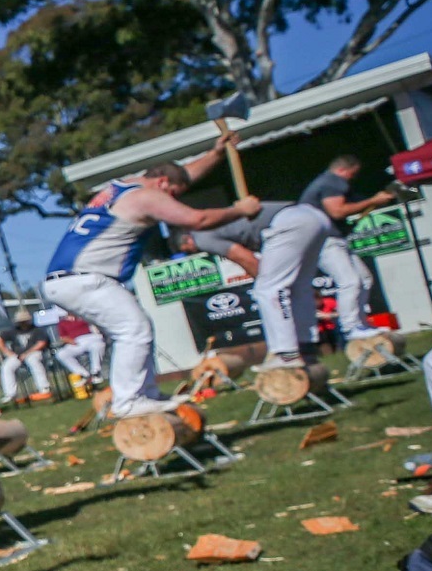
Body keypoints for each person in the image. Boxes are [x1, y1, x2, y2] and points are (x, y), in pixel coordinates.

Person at [43, 133, 258, 419]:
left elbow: (182, 176)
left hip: (71, 278)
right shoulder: (147, 197)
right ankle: (129, 400)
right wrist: (238, 210)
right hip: (85, 278)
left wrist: (215, 154)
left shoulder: (125, 186)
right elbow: (197, 220)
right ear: (162, 184)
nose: (172, 202)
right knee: (133, 329)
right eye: (173, 194)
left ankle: (144, 395)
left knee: (136, 328)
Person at [180, 197, 337, 363]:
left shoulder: (200, 237)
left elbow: (245, 258)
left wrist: (264, 280)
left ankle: (287, 354)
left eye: (188, 250)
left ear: (187, 239)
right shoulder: (216, 225)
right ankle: (307, 348)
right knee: (299, 287)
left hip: (288, 222)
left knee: (268, 289)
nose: (193, 251)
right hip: (314, 217)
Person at [298, 154, 394, 344]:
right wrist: (373, 200)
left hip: (332, 238)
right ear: (342, 170)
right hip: (323, 240)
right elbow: (337, 210)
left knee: (364, 279)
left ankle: (361, 323)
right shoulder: (333, 182)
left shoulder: (327, 182)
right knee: (349, 281)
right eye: (352, 174)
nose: (352, 179)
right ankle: (350, 327)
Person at [0, 324, 54, 404]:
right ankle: (10, 394)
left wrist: (27, 353)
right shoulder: (12, 330)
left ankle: (44, 387)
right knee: (6, 366)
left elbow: (42, 343)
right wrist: (8, 352)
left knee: (33, 361)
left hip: (34, 352)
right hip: (18, 355)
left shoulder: (37, 330)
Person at [51, 310, 104, 389]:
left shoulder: (83, 317)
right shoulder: (62, 323)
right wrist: (69, 340)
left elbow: (94, 326)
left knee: (98, 345)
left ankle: (96, 372)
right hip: (76, 341)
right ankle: (83, 374)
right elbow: (63, 337)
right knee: (61, 354)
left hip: (90, 337)